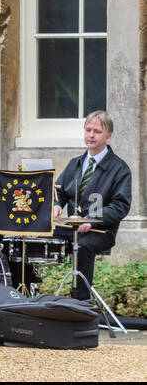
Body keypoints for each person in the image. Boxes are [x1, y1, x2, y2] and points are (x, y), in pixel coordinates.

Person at [53, 110, 133, 301]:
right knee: (32, 237)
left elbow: (120, 206)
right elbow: (59, 191)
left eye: (97, 131)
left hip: (100, 233)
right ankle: (23, 297)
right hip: (71, 228)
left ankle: (81, 303)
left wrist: (92, 220)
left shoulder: (120, 169)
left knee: (82, 245)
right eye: (88, 130)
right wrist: (56, 205)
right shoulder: (75, 164)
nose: (91, 135)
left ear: (108, 136)